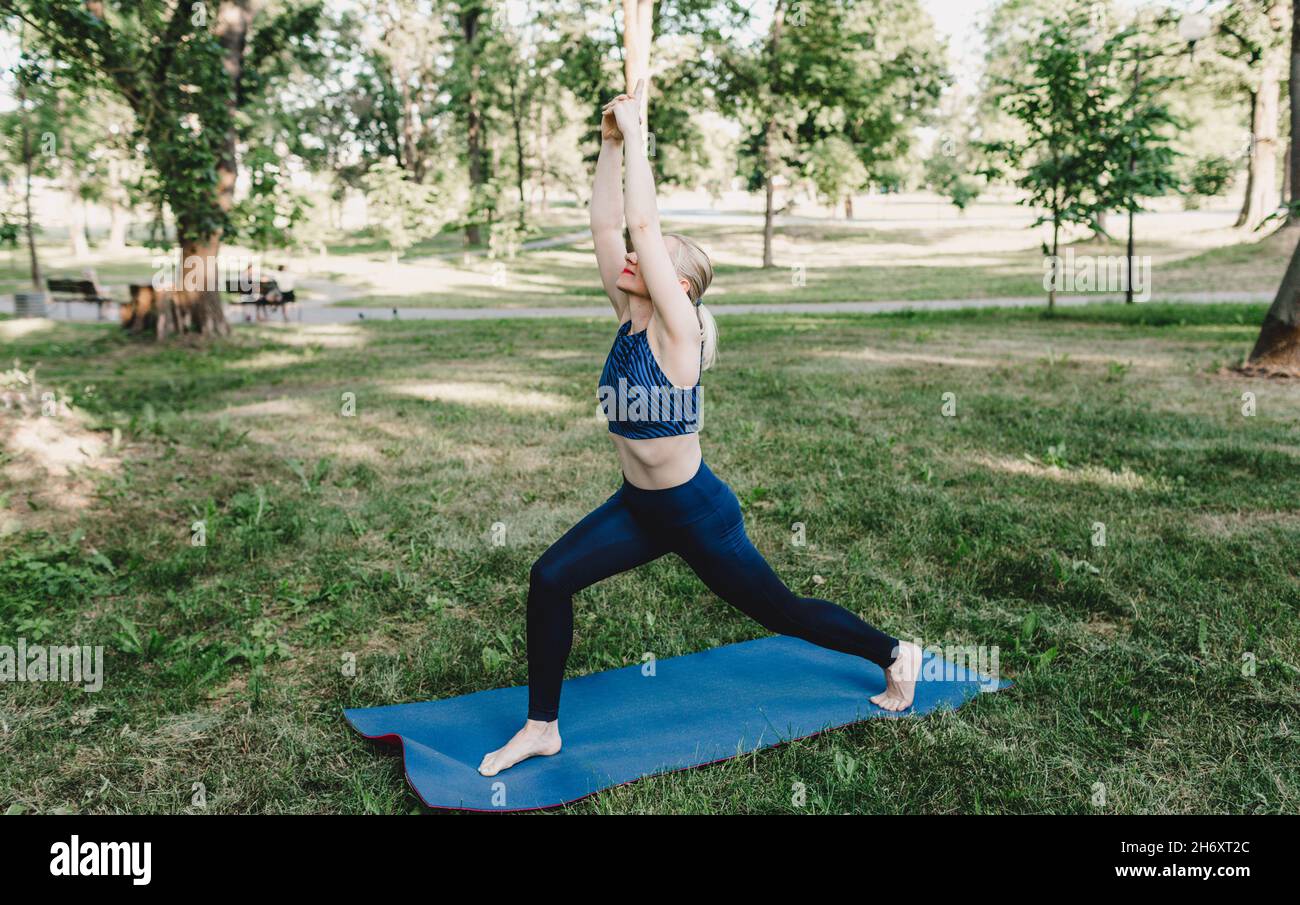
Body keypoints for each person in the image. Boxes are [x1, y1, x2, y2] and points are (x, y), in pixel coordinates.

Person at [477, 83, 921, 778]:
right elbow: (608, 229)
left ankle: (896, 653)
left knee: (780, 609)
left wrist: (641, 139)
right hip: (639, 506)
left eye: (651, 259)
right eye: (636, 256)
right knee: (550, 578)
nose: (632, 255)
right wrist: (609, 145)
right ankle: (541, 727)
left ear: (679, 287)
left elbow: (645, 230)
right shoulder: (628, 315)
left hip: (697, 513)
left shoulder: (677, 334)